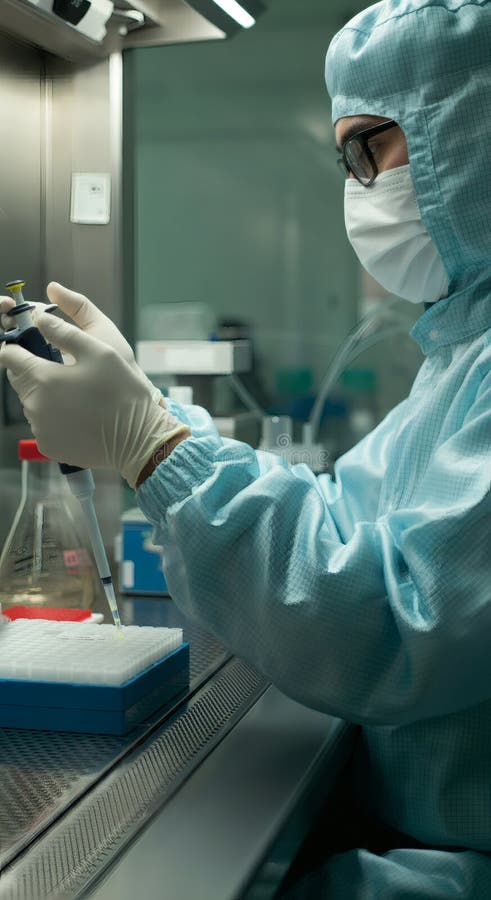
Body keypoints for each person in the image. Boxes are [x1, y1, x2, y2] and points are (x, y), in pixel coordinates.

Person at [1, 0, 491, 894]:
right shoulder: (462, 352)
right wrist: (154, 418)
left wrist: (153, 448)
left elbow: (394, 627)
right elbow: (348, 514)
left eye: (368, 147)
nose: (356, 185)